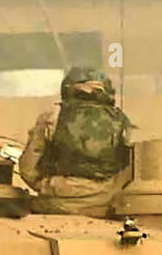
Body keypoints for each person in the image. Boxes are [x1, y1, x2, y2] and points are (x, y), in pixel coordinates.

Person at [18, 66, 134, 216]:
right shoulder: (121, 121)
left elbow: (27, 168)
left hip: (55, 203)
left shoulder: (52, 118)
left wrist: (45, 186)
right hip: (103, 204)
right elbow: (128, 169)